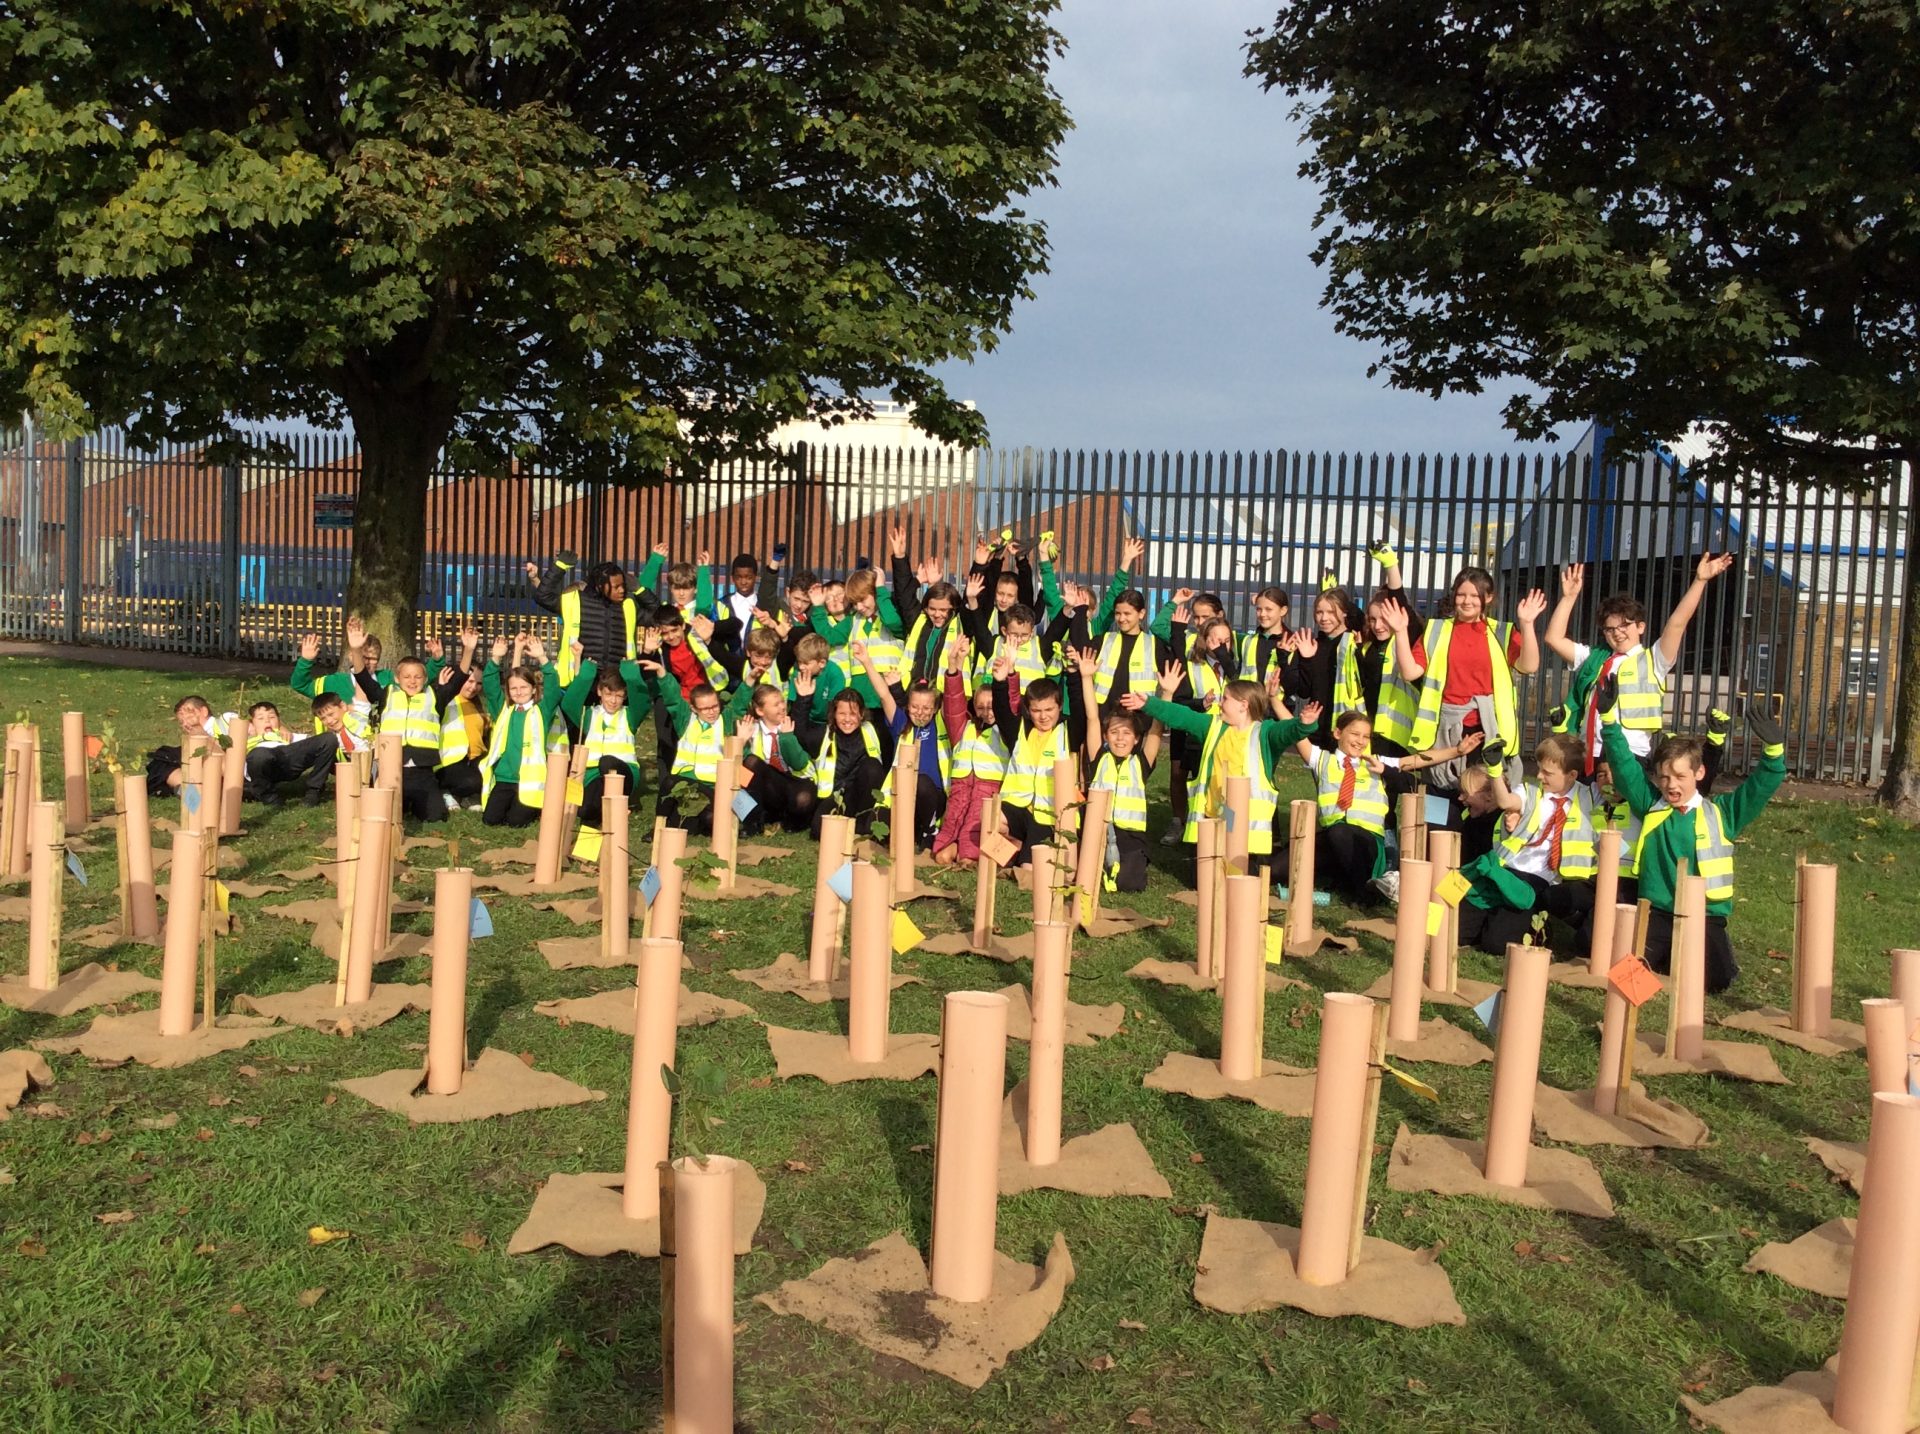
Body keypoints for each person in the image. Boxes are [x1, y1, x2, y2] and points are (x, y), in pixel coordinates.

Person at [1601, 692, 1785, 993]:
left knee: (1715, 983)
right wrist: (1610, 723)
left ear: (1699, 773)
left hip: (1705, 916)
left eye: (1679, 776)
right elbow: (1625, 768)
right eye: (1663, 777)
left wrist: (1774, 751)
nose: (1671, 785)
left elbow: (1759, 788)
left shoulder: (1722, 813)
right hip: (1657, 912)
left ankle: (1699, 961)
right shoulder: (1651, 806)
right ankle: (1669, 959)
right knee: (1630, 978)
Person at [1544, 552, 1737, 778]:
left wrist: (1700, 581)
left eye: (1624, 625)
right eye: (1610, 629)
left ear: (1641, 627)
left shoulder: (1653, 659)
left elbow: (1677, 624)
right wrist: (1568, 598)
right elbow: (1553, 638)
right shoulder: (1594, 657)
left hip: (1630, 754)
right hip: (1590, 754)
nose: (1617, 633)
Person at [1141, 659, 1315, 880]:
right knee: (1203, 880)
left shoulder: (1264, 733)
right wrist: (1149, 703)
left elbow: (1288, 732)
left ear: (1243, 705)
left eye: (1225, 699)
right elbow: (1182, 717)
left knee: (1238, 880)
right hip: (1212, 820)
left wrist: (1305, 724)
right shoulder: (1213, 726)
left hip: (1246, 832)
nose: (1220, 703)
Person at [1292, 711, 1481, 904]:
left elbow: (1417, 760)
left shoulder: (1376, 761)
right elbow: (1296, 736)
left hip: (1367, 839)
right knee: (1283, 867)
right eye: (1355, 734)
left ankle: (1365, 896)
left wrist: (1456, 751)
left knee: (1339, 833)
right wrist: (1277, 702)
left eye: (1366, 736)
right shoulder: (1322, 759)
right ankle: (1349, 883)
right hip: (1332, 835)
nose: (1361, 741)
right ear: (1338, 733)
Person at [1397, 567, 1548, 792]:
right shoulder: (1435, 630)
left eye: (1474, 595)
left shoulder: (1501, 632)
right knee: (1446, 798)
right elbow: (1410, 672)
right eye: (1461, 594)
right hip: (1446, 731)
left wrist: (1527, 625)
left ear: (1488, 598)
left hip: (1489, 730)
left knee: (1487, 797)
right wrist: (1400, 632)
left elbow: (1529, 665)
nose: (1467, 601)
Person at [1454, 734, 1599, 952]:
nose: (1539, 775)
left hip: (1539, 881)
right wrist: (1494, 768)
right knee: (1456, 931)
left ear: (1571, 775)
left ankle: (1540, 930)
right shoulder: (1531, 791)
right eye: (1539, 768)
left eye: (1548, 773)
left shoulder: (1590, 796)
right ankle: (1489, 919)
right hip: (1506, 868)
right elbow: (1505, 801)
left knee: (1495, 944)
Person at [1073, 646, 1163, 892]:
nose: (1120, 739)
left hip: (1131, 835)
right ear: (1106, 736)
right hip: (1099, 829)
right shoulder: (1099, 756)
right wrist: (1086, 677)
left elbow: (1156, 730)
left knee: (1128, 884)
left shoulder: (1140, 762)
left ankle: (1132, 863)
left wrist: (1166, 694)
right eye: (1114, 733)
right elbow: (1092, 717)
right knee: (1085, 877)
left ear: (1136, 739)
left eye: (1126, 734)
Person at [861, 643, 949, 850]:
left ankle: (927, 829)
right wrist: (866, 662)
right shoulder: (902, 723)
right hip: (899, 795)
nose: (920, 712)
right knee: (876, 830)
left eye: (926, 707)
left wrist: (955, 663)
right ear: (907, 706)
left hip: (931, 796)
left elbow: (953, 699)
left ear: (935, 708)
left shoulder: (941, 724)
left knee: (923, 783)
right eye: (915, 707)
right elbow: (884, 695)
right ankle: (902, 836)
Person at [990, 654, 1074, 865]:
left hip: (1046, 815)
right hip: (1016, 807)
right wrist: (999, 682)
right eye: (1036, 711)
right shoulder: (1019, 730)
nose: (1043, 716)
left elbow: (1084, 712)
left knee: (1029, 868)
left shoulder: (1068, 732)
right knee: (990, 819)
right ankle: (1011, 850)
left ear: (1059, 706)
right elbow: (1001, 712)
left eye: (1049, 710)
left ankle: (1020, 851)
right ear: (1028, 710)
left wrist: (1074, 676)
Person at [932, 636, 1008, 865]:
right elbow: (953, 702)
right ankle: (956, 848)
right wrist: (954, 667)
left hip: (988, 792)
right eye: (980, 706)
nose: (987, 711)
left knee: (971, 845)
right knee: (942, 853)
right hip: (960, 790)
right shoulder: (963, 727)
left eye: (992, 706)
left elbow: (1009, 706)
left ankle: (986, 855)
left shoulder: (1006, 730)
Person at [478, 636, 566, 827]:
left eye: (524, 687)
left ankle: (534, 809)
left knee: (515, 822)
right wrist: (495, 658)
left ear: (534, 690)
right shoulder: (503, 710)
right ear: (508, 692)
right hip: (504, 778)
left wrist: (542, 658)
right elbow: (490, 686)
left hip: (529, 781)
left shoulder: (541, 711)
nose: (519, 692)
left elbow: (553, 688)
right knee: (490, 820)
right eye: (514, 688)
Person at [561, 653, 651, 833]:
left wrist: (629, 669)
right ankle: (586, 852)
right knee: (587, 809)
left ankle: (618, 806)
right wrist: (587, 672)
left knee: (607, 762)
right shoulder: (589, 715)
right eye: (609, 694)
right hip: (594, 775)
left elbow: (642, 698)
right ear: (599, 692)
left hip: (625, 774)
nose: (613, 700)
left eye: (618, 696)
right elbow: (569, 703)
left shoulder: (629, 715)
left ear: (624, 696)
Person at [528, 550, 644, 687]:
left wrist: (640, 590)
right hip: (578, 678)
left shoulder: (626, 607)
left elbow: (655, 615)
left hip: (616, 682)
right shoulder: (575, 603)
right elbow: (543, 596)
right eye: (616, 586)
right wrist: (559, 567)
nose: (621, 590)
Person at [642, 665, 728, 837]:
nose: (711, 712)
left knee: (707, 819)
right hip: (684, 782)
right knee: (669, 783)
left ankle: (693, 825)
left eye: (715, 706)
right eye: (705, 709)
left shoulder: (725, 722)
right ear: (694, 709)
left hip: (711, 787)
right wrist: (662, 674)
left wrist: (749, 681)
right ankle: (659, 826)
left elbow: (740, 702)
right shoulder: (686, 720)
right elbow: (673, 699)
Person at [795, 688, 887, 837]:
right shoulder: (824, 734)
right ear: (834, 714)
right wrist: (804, 699)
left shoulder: (874, 731)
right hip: (836, 797)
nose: (847, 719)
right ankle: (848, 828)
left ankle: (861, 825)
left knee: (872, 767)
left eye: (852, 714)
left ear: (862, 714)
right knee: (818, 831)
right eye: (842, 714)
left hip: (864, 799)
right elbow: (800, 736)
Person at [736, 685, 818, 834]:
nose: (781, 707)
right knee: (750, 763)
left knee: (803, 799)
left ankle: (791, 824)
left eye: (782, 702)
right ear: (760, 711)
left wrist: (787, 738)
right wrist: (741, 742)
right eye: (775, 704)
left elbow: (798, 763)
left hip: (796, 781)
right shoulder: (752, 729)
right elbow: (739, 770)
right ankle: (751, 822)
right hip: (769, 786)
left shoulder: (793, 724)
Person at [240, 700, 340, 807]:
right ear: (252, 724)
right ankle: (270, 798)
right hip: (261, 764)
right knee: (259, 754)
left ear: (279, 720)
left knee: (328, 739)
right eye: (260, 718)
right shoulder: (244, 741)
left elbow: (318, 744)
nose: (267, 721)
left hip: (287, 757)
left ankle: (314, 792)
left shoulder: (288, 736)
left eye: (272, 717)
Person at [143, 695, 241, 797]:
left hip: (228, 765)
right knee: (161, 758)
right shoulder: (192, 736)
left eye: (189, 716)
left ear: (204, 711)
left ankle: (191, 791)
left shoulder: (225, 720)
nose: (185, 724)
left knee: (165, 756)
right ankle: (186, 789)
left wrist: (204, 736)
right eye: (181, 722)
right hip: (204, 767)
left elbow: (237, 750)